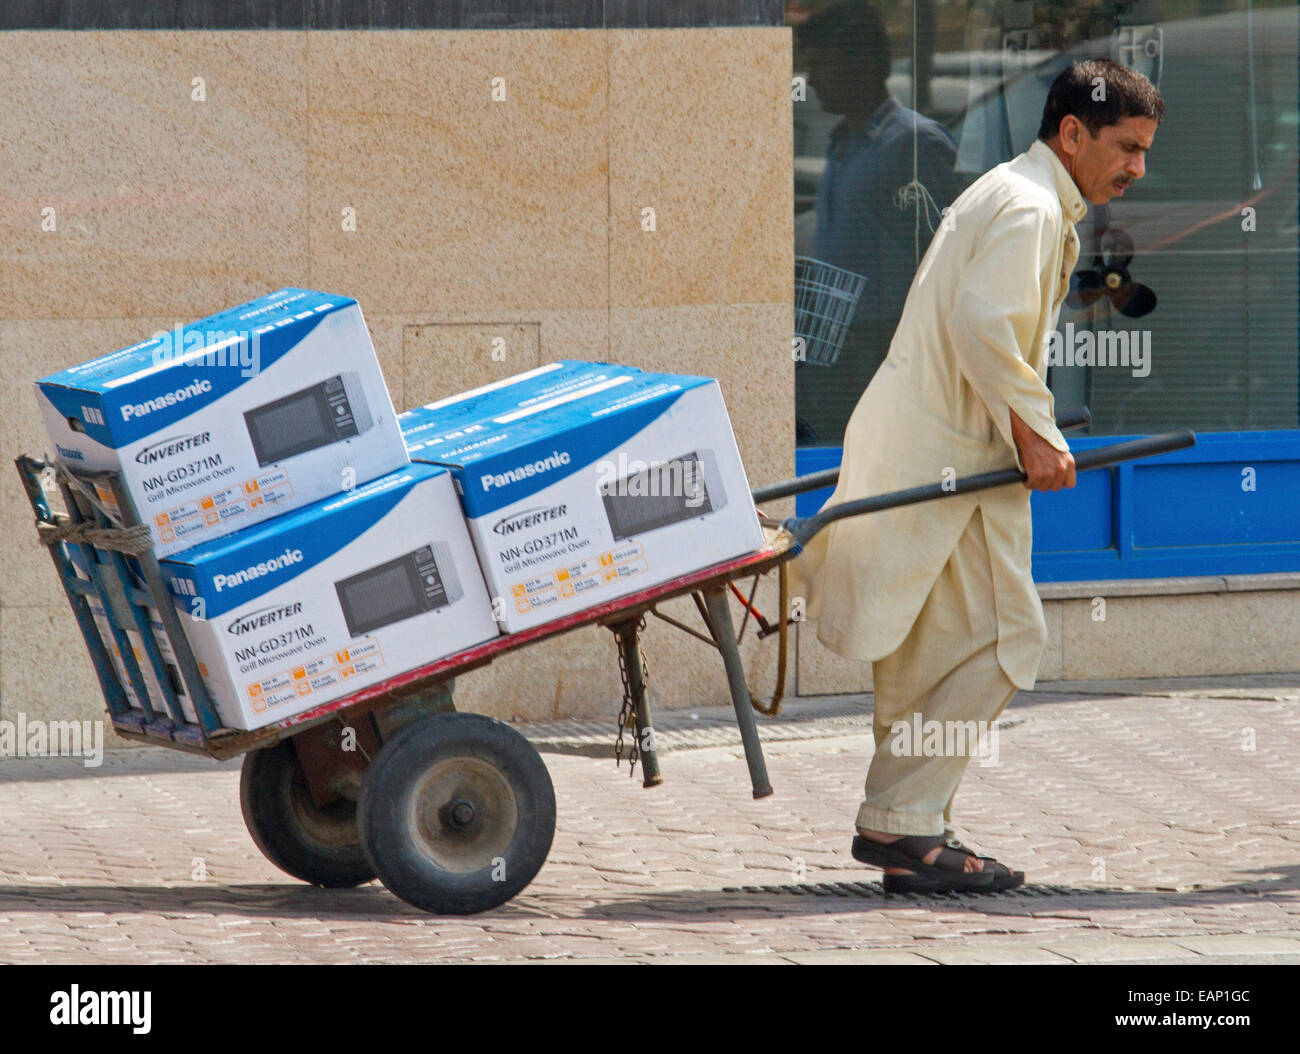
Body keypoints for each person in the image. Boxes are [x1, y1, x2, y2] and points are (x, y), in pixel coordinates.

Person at [790, 59, 1165, 893]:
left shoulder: (1022, 192)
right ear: (1072, 133)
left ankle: (905, 823)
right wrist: (1035, 432)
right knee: (1005, 639)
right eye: (1126, 147)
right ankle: (905, 822)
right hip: (950, 454)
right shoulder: (1031, 206)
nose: (1138, 167)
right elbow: (981, 323)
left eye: (1145, 150)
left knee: (936, 646)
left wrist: (1023, 430)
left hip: (945, 448)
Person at [795, 1, 966, 444]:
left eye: (822, 66)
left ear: (863, 64)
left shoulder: (912, 144)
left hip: (885, 360)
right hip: (837, 362)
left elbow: (951, 261)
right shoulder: (840, 142)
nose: (811, 81)